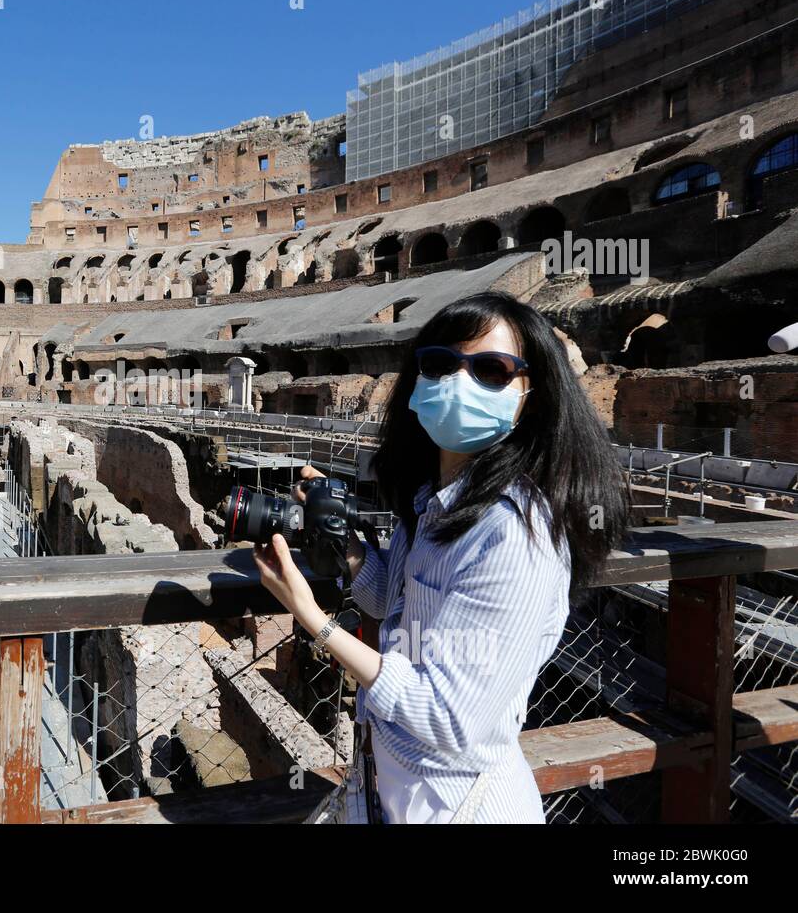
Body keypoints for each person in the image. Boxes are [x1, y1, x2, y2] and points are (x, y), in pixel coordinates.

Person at [254, 291, 627, 823]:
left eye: (492, 369)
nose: (459, 380)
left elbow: (449, 720)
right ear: (418, 379)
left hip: (460, 806)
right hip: (394, 792)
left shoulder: (516, 532)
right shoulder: (433, 499)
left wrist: (312, 618)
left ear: (531, 396)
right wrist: (340, 538)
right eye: (440, 363)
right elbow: (392, 601)